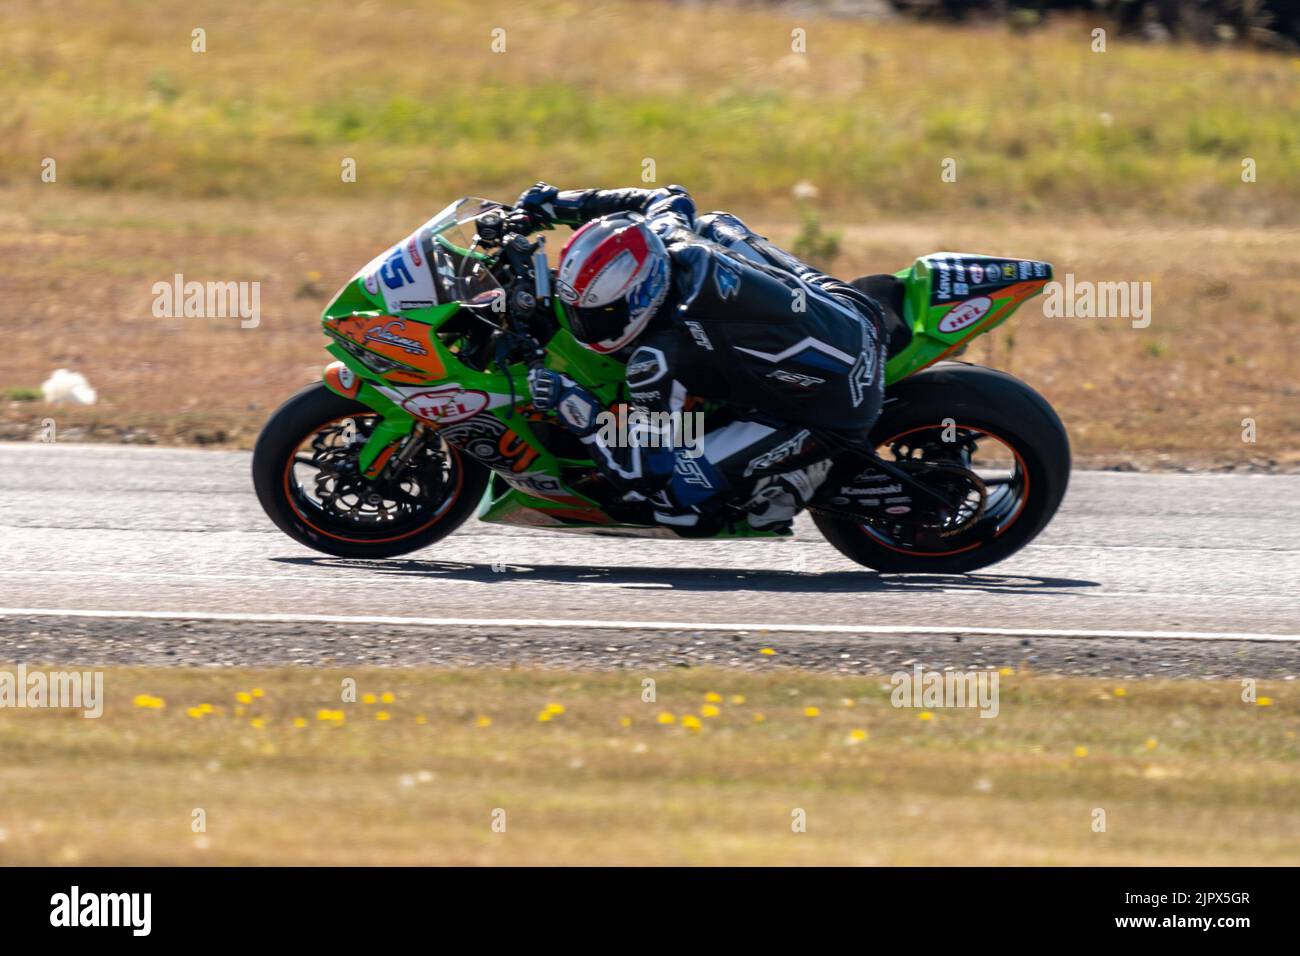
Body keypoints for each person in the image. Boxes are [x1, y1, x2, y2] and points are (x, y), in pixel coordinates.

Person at [515, 182, 885, 532]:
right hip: (851, 310)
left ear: (639, 296)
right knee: (712, 224)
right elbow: (666, 197)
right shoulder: (669, 237)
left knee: (674, 501)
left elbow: (642, 474)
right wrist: (556, 203)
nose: (584, 323)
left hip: (834, 405)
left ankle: (805, 471)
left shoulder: (658, 356)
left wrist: (576, 409)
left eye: (599, 314)